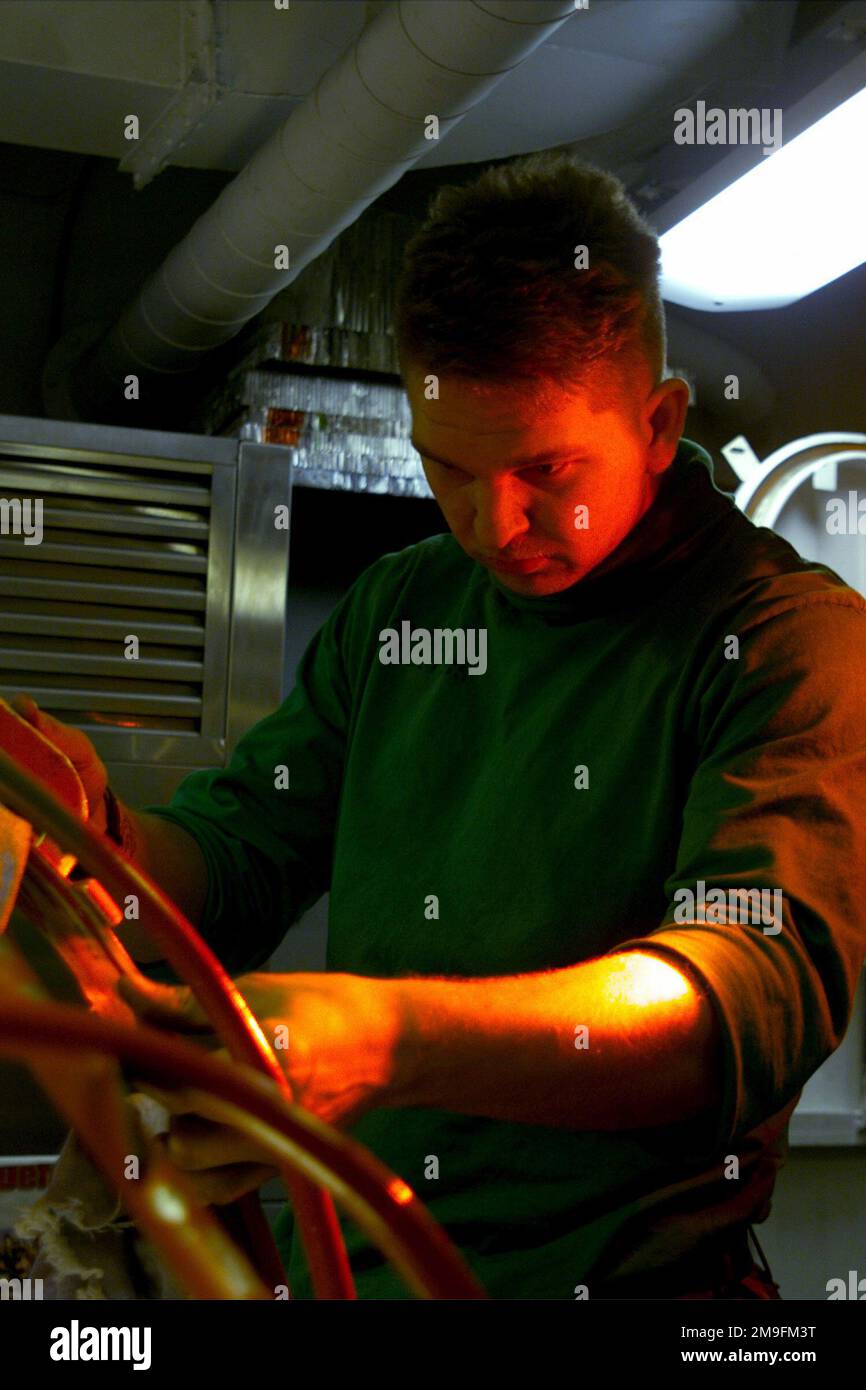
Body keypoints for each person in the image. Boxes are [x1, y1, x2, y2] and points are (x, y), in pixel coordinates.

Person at [12, 152, 866, 1300]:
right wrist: (88, 824)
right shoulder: (399, 607)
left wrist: (392, 1037)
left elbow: (740, 992)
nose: (494, 524)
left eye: (544, 470)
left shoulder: (782, 637)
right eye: (447, 470)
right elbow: (233, 856)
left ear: (659, 425)